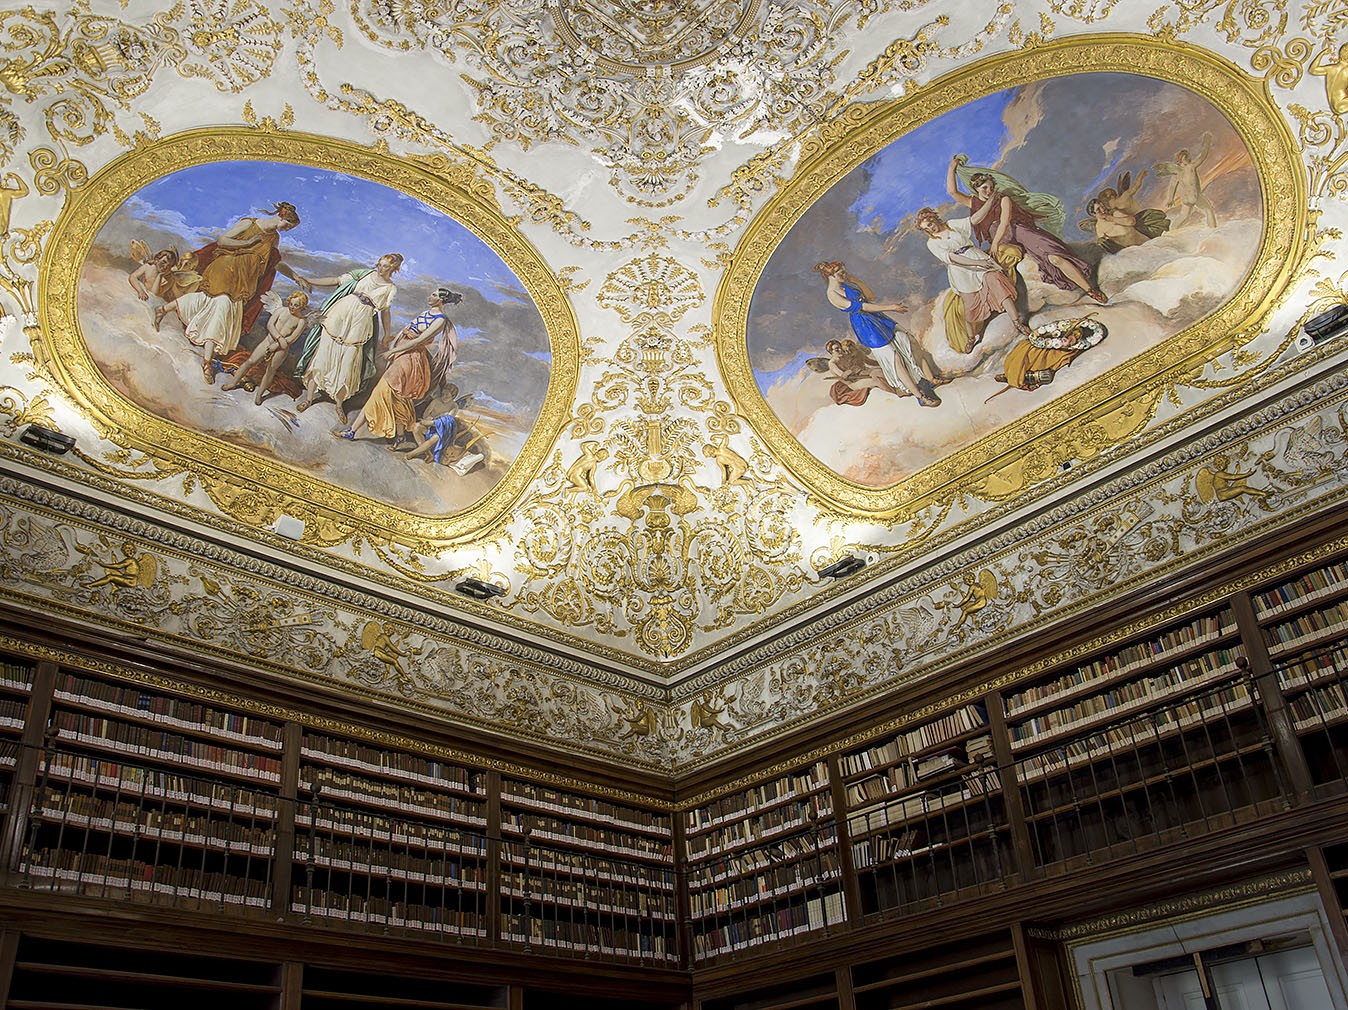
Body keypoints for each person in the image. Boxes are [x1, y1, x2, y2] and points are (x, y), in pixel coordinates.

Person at [154, 203, 304, 381]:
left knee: (206, 302)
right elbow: (223, 241)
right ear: (281, 216)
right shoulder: (250, 224)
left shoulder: (274, 239)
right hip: (226, 270)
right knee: (221, 312)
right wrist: (248, 242)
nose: (286, 230)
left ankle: (162, 310)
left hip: (243, 281)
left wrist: (295, 276)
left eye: (289, 228)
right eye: (287, 225)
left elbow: (274, 262)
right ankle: (207, 364)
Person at [947, 155, 1106, 304]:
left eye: (990, 187)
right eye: (984, 188)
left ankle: (1090, 290)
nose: (988, 191)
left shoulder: (1003, 199)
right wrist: (952, 168)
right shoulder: (973, 202)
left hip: (1020, 232)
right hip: (1005, 241)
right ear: (976, 189)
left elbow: (1004, 223)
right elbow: (952, 192)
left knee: (1055, 258)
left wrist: (995, 244)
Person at [335, 287, 461, 444]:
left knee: (380, 392)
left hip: (410, 359)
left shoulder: (440, 321)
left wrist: (393, 351)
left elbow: (417, 341)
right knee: (398, 399)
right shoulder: (425, 313)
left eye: (434, 295)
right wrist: (393, 338)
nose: (430, 296)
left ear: (441, 300)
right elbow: (407, 330)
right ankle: (400, 434)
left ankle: (352, 431)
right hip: (402, 353)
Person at [294, 253, 403, 424]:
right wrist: (309, 280)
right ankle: (308, 399)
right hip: (341, 313)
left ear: (394, 269)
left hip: (361, 323)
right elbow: (336, 280)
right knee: (322, 356)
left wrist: (387, 334)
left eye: (386, 267)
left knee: (348, 364)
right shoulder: (364, 274)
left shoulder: (390, 288)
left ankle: (339, 404)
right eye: (380, 265)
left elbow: (385, 312)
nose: (381, 269)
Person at [813, 261, 939, 407]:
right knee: (894, 359)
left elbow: (870, 297)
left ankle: (925, 380)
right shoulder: (833, 294)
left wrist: (855, 280)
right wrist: (891, 307)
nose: (844, 274)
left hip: (878, 319)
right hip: (866, 326)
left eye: (844, 271)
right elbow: (863, 306)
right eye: (840, 273)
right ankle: (921, 397)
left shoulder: (847, 285)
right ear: (830, 276)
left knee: (906, 341)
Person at [915, 206, 1028, 353]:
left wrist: (989, 202)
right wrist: (977, 264)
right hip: (961, 271)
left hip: (976, 256)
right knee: (970, 306)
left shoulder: (952, 225)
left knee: (997, 282)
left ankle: (1017, 323)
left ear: (934, 219)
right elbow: (952, 258)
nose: (930, 229)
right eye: (926, 229)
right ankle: (971, 337)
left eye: (929, 224)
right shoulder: (932, 243)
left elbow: (974, 219)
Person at [220, 290, 312, 405]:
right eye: (291, 304)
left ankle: (259, 395)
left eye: (296, 305)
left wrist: (276, 346)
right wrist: (279, 338)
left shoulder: (301, 321)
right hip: (268, 341)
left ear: (302, 306)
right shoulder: (281, 311)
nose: (292, 307)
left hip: (281, 350)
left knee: (270, 371)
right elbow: (270, 325)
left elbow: (291, 339)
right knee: (251, 361)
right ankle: (233, 383)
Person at [1158, 134, 1216, 229]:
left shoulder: (1177, 171)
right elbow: (1203, 156)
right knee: (1209, 210)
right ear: (1184, 158)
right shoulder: (1191, 166)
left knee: (1183, 216)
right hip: (1195, 196)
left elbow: (1172, 186)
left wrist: (1170, 198)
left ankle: (1171, 233)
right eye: (1186, 158)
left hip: (1186, 199)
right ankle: (1213, 230)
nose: (1188, 159)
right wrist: (1207, 142)